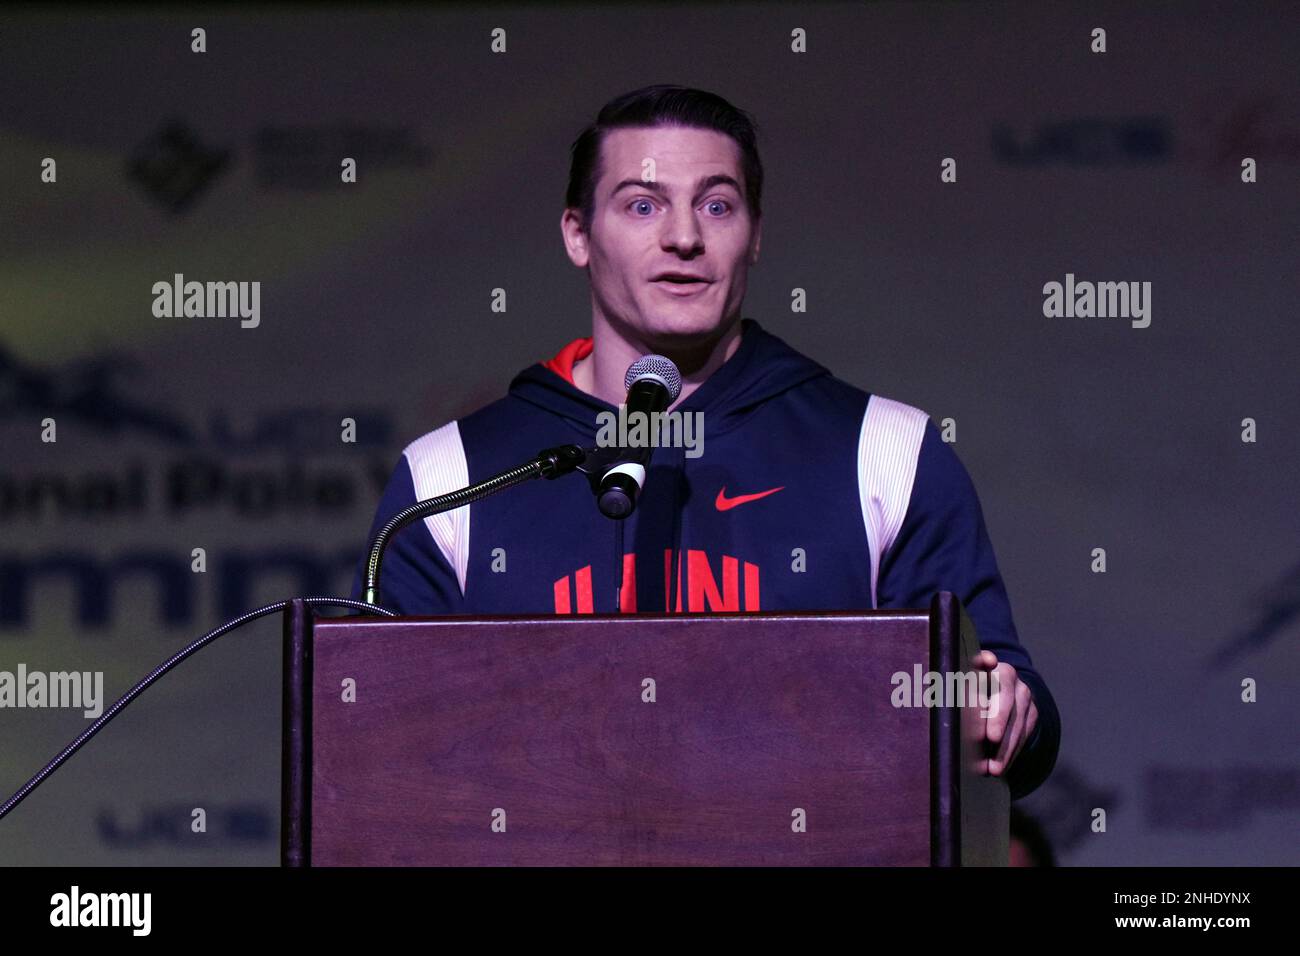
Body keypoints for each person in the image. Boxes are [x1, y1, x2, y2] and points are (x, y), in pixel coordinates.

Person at [351, 84, 1060, 799]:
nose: (684, 237)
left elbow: (1011, 722)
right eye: (642, 204)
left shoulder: (885, 452)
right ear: (577, 233)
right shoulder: (453, 476)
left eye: (717, 205)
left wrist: (1002, 710)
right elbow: (372, 759)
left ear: (754, 233)